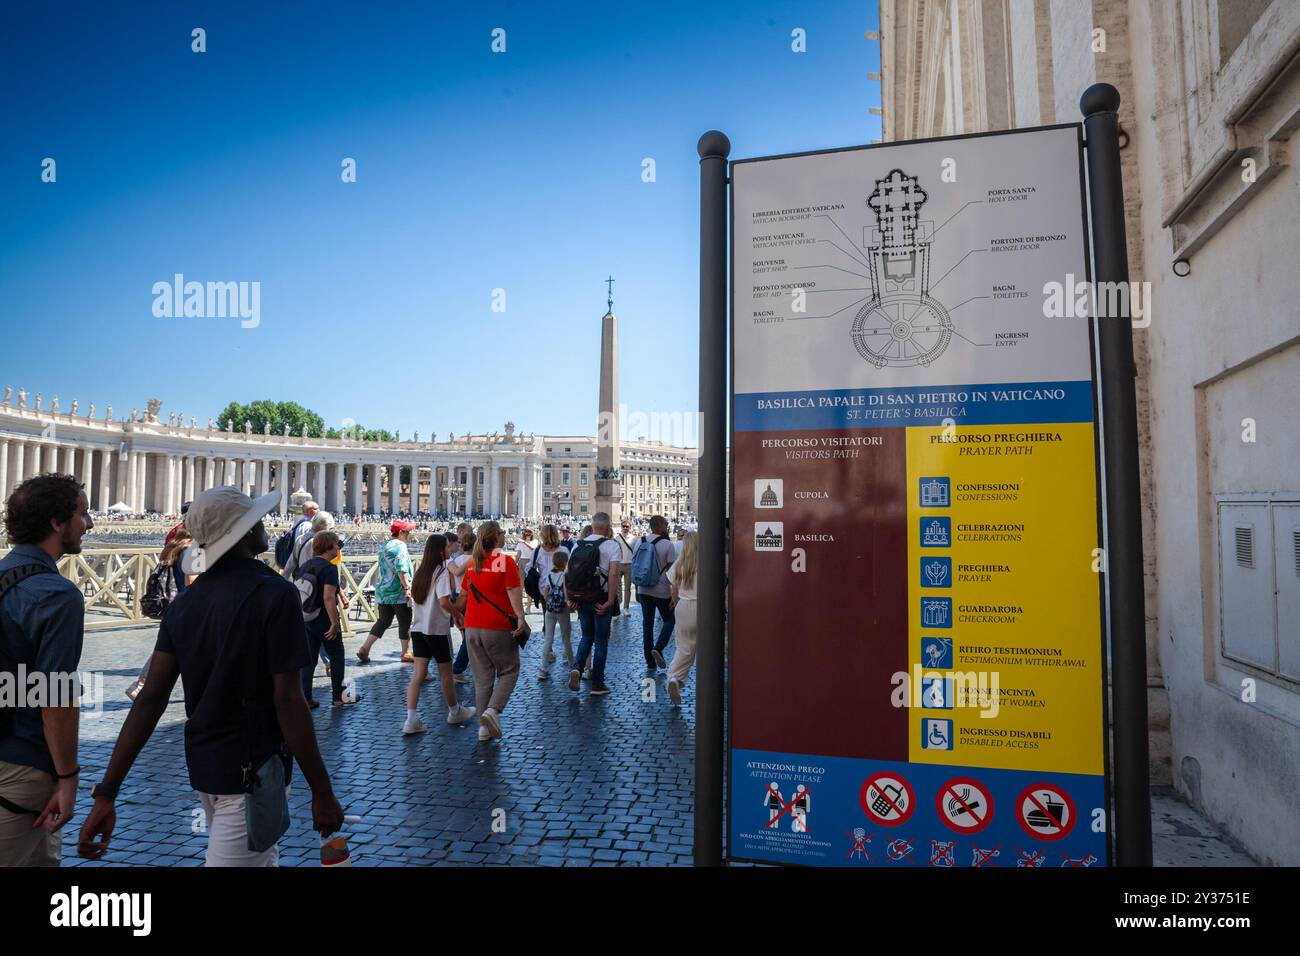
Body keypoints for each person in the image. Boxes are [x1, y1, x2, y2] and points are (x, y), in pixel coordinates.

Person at [77, 485, 344, 866]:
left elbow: (151, 698)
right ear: (246, 533)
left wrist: (108, 791)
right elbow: (288, 699)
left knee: (260, 858)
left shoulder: (184, 605)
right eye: (256, 520)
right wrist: (321, 790)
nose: (264, 525)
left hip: (205, 766)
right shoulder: (276, 595)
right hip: (253, 769)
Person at [0, 474, 93, 866]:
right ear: (57, 523)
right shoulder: (56, 595)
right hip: (23, 767)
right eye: (83, 513)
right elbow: (55, 696)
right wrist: (68, 778)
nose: (89, 523)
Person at [455, 521, 526, 741]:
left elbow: (463, 597)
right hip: (497, 626)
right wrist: (521, 618)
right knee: (509, 670)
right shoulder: (505, 561)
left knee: (483, 678)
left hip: (473, 628)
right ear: (496, 537)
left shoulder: (473, 563)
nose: (505, 535)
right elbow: (513, 591)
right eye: (503, 533)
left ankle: (483, 730)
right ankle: (492, 710)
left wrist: (456, 616)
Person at [404, 534, 476, 734]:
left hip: (418, 629)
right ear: (439, 550)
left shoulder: (420, 572)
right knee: (446, 674)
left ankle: (410, 719)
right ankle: (454, 711)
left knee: (418, 675)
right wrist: (457, 614)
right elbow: (444, 601)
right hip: (436, 629)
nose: (449, 550)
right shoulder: (441, 572)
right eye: (446, 547)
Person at [127, 527, 196, 702]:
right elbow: (192, 582)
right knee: (177, 648)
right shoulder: (193, 551)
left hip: (171, 606)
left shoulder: (173, 550)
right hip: (188, 608)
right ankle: (142, 684)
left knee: (171, 647)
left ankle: (142, 685)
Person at [296, 531, 358, 709]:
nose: (339, 547)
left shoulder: (306, 564)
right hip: (323, 618)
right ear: (329, 547)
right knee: (337, 655)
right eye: (337, 545)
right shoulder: (330, 568)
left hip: (307, 616)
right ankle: (338, 697)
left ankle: (305, 697)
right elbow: (328, 597)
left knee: (309, 659)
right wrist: (334, 622)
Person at [566, 512, 621, 697]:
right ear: (608, 527)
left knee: (586, 636)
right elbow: (613, 575)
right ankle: (597, 683)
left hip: (581, 598)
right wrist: (611, 600)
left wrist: (570, 598)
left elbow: (568, 574)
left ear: (593, 525)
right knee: (601, 641)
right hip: (601, 597)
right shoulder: (612, 545)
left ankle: (577, 668)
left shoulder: (577, 545)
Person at [357, 519, 417, 664]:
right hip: (398, 591)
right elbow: (401, 569)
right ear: (401, 532)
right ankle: (406, 653)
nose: (409, 534)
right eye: (407, 531)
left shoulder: (385, 545)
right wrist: (407, 588)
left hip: (383, 590)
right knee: (405, 621)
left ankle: (365, 648)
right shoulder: (400, 546)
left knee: (383, 621)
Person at [635, 515, 677, 673]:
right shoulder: (667, 545)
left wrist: (637, 588)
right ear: (661, 526)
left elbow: (636, 565)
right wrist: (674, 594)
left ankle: (649, 661)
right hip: (662, 590)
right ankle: (659, 648)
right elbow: (672, 572)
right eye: (666, 524)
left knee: (647, 624)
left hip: (643, 588)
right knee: (670, 619)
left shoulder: (640, 541)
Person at [664, 531, 698, 707]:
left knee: (684, 648)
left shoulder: (680, 563)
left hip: (683, 606)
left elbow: (673, 590)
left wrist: (674, 602)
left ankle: (674, 678)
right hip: (704, 607)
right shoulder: (706, 562)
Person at [446, 522, 475, 683]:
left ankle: (463, 664)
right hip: (470, 598)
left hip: (457, 596)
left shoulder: (455, 560)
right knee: (470, 635)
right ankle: (458, 668)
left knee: (467, 633)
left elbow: (451, 581)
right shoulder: (474, 561)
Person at [538, 549, 572, 680]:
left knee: (548, 639)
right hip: (562, 610)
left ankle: (543, 668)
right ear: (564, 562)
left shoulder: (549, 575)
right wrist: (567, 603)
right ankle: (572, 665)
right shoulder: (564, 575)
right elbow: (565, 591)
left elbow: (545, 593)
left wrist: (550, 603)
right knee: (566, 638)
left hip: (550, 610)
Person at [281, 499, 319, 580]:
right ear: (309, 511)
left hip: (298, 565)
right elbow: (303, 546)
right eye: (316, 509)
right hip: (303, 567)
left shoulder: (300, 523)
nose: (319, 511)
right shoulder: (307, 525)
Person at [613, 518, 636, 612]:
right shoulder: (617, 538)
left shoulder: (634, 538)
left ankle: (626, 607)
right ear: (621, 527)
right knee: (617, 587)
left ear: (630, 527)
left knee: (627, 588)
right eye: (624, 526)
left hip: (629, 565)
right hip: (619, 564)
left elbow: (635, 552)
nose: (625, 528)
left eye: (627, 526)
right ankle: (617, 607)